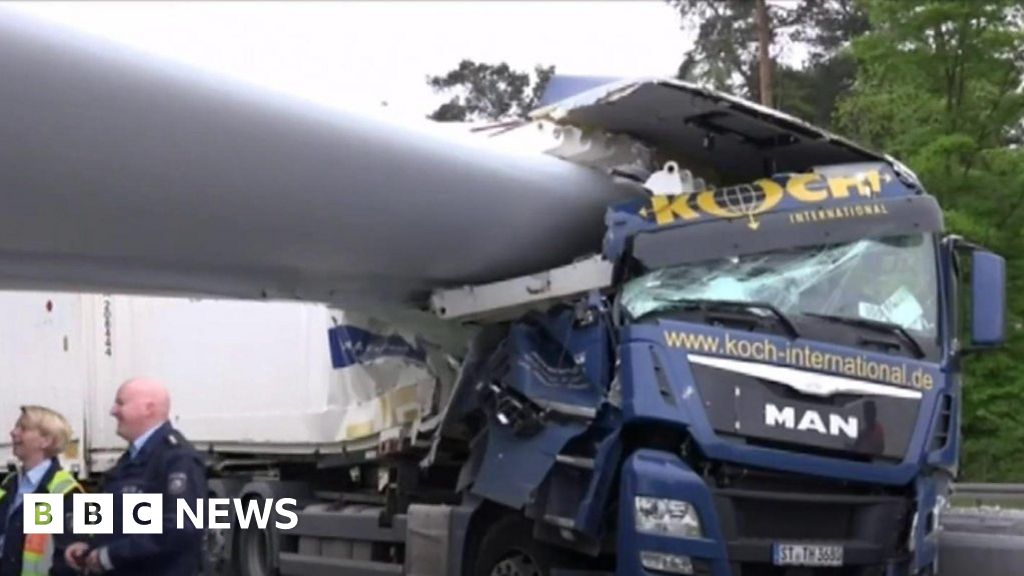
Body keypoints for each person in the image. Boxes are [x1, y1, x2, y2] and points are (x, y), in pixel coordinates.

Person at [64, 378, 205, 575]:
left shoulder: (177, 459)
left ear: (148, 409)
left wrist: (110, 556)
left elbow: (181, 528)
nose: (113, 410)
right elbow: (118, 518)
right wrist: (88, 547)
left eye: (120, 403)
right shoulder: (130, 459)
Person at [0, 405, 82, 576]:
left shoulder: (66, 491)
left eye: (22, 428)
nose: (13, 433)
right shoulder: (8, 484)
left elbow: (73, 559)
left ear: (46, 441)